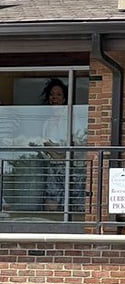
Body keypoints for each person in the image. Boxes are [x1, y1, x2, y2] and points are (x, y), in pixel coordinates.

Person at [41, 78, 68, 211]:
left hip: (68, 166)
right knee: (51, 197)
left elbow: (78, 141)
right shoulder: (47, 122)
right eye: (52, 95)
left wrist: (58, 154)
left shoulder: (70, 118)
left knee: (68, 199)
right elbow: (45, 144)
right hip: (52, 166)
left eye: (58, 95)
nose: (54, 98)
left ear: (64, 99)